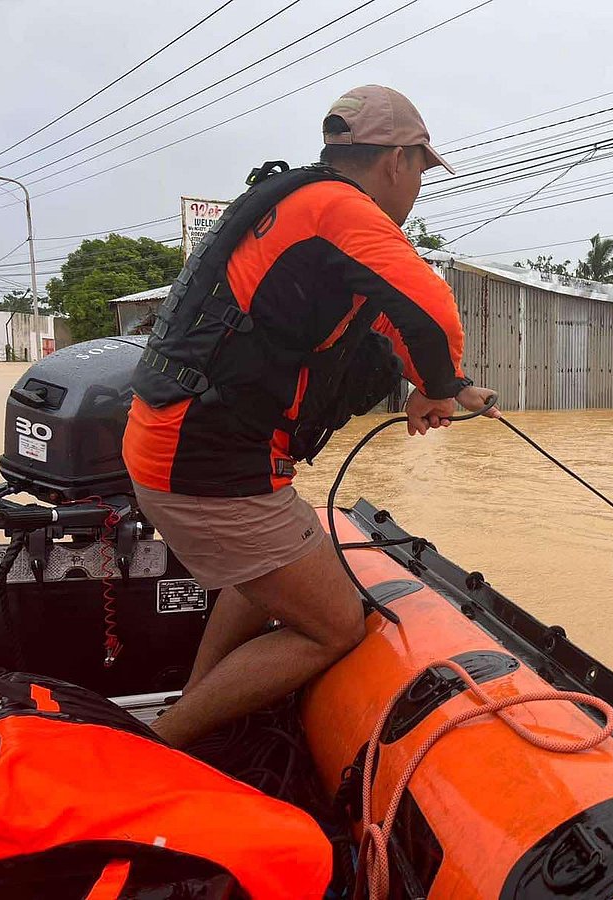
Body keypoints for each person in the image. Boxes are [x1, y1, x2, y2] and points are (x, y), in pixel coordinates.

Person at [121, 85, 500, 748]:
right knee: (335, 626)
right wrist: (437, 387)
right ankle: (163, 746)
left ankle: (192, 704)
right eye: (420, 170)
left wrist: (450, 385)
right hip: (208, 465)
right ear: (397, 162)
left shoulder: (303, 207)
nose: (417, 187)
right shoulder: (339, 211)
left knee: (265, 577)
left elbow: (384, 317)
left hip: (176, 446)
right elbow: (429, 306)